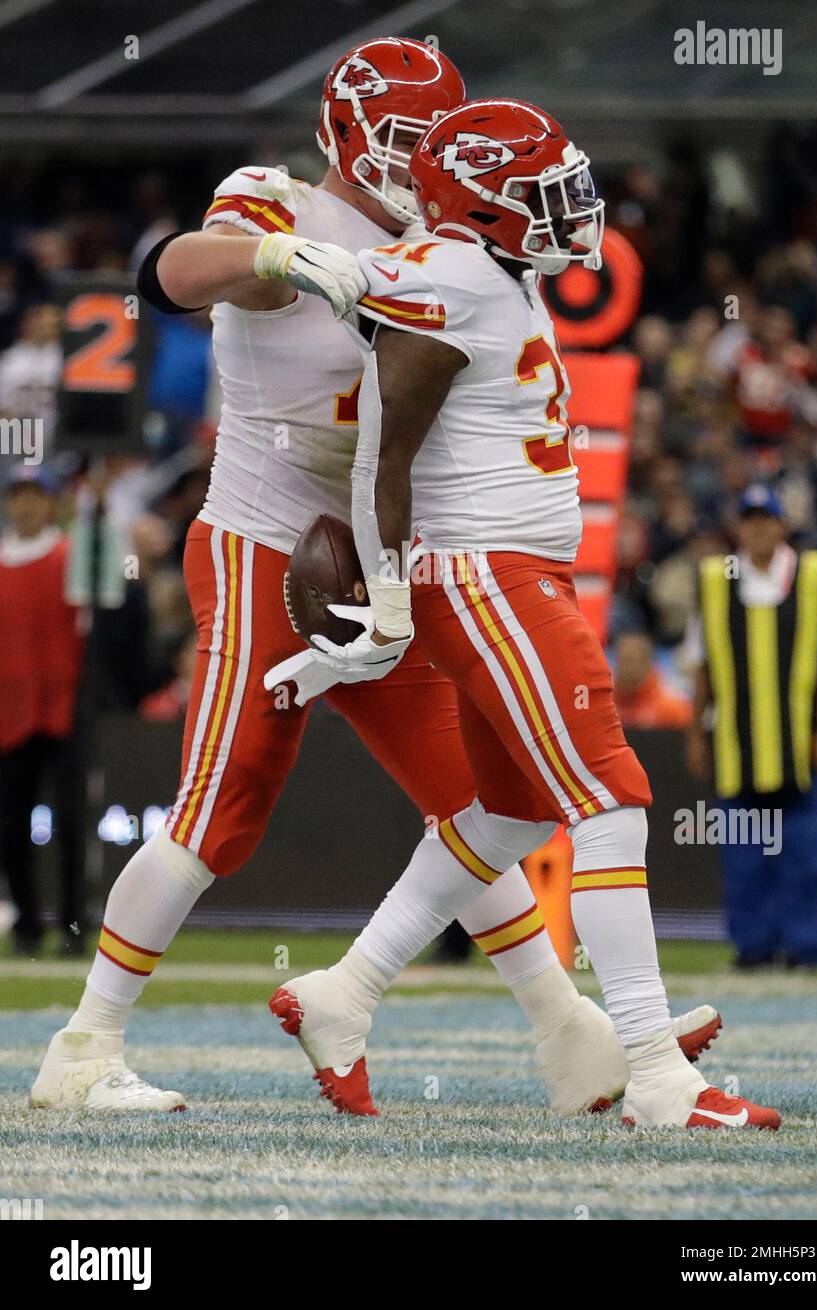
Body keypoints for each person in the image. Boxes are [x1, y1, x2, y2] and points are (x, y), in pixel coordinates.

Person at [31, 39, 714, 1115]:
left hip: (386, 553)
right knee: (227, 796)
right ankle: (82, 1044)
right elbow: (165, 273)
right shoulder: (277, 201)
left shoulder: (453, 241)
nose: (408, 162)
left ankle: (566, 1030)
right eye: (395, 140)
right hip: (269, 543)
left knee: (480, 796)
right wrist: (271, 261)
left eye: (425, 142)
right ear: (343, 133)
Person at [269, 97, 776, 1130]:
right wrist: (300, 252)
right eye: (543, 194)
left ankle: (344, 991)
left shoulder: (480, 269)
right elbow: (381, 414)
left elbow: (383, 281)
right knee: (611, 797)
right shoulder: (450, 271)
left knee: (501, 814)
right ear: (480, 206)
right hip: (486, 575)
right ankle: (655, 1072)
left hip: (506, 572)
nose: (569, 209)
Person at [684, 484, 817, 969]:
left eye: (766, 518)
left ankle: (804, 948)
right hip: (735, 741)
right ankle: (752, 947)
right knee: (743, 856)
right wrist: (695, 733)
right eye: (749, 518)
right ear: (740, 526)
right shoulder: (715, 581)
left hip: (797, 744)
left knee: (805, 855)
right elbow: (701, 665)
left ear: (781, 525)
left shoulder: (813, 578)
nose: (758, 527)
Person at [0, 465, 85, 955]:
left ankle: (74, 924)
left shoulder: (70, 556)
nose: (27, 506)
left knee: (72, 824)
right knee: (11, 826)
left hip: (62, 707)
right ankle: (27, 924)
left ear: (51, 503)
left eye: (36, 496)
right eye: (19, 496)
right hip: (11, 713)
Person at [613, 631, 691, 729]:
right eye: (623, 661)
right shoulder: (606, 707)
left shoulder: (673, 710)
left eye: (633, 661)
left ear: (648, 663)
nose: (628, 668)